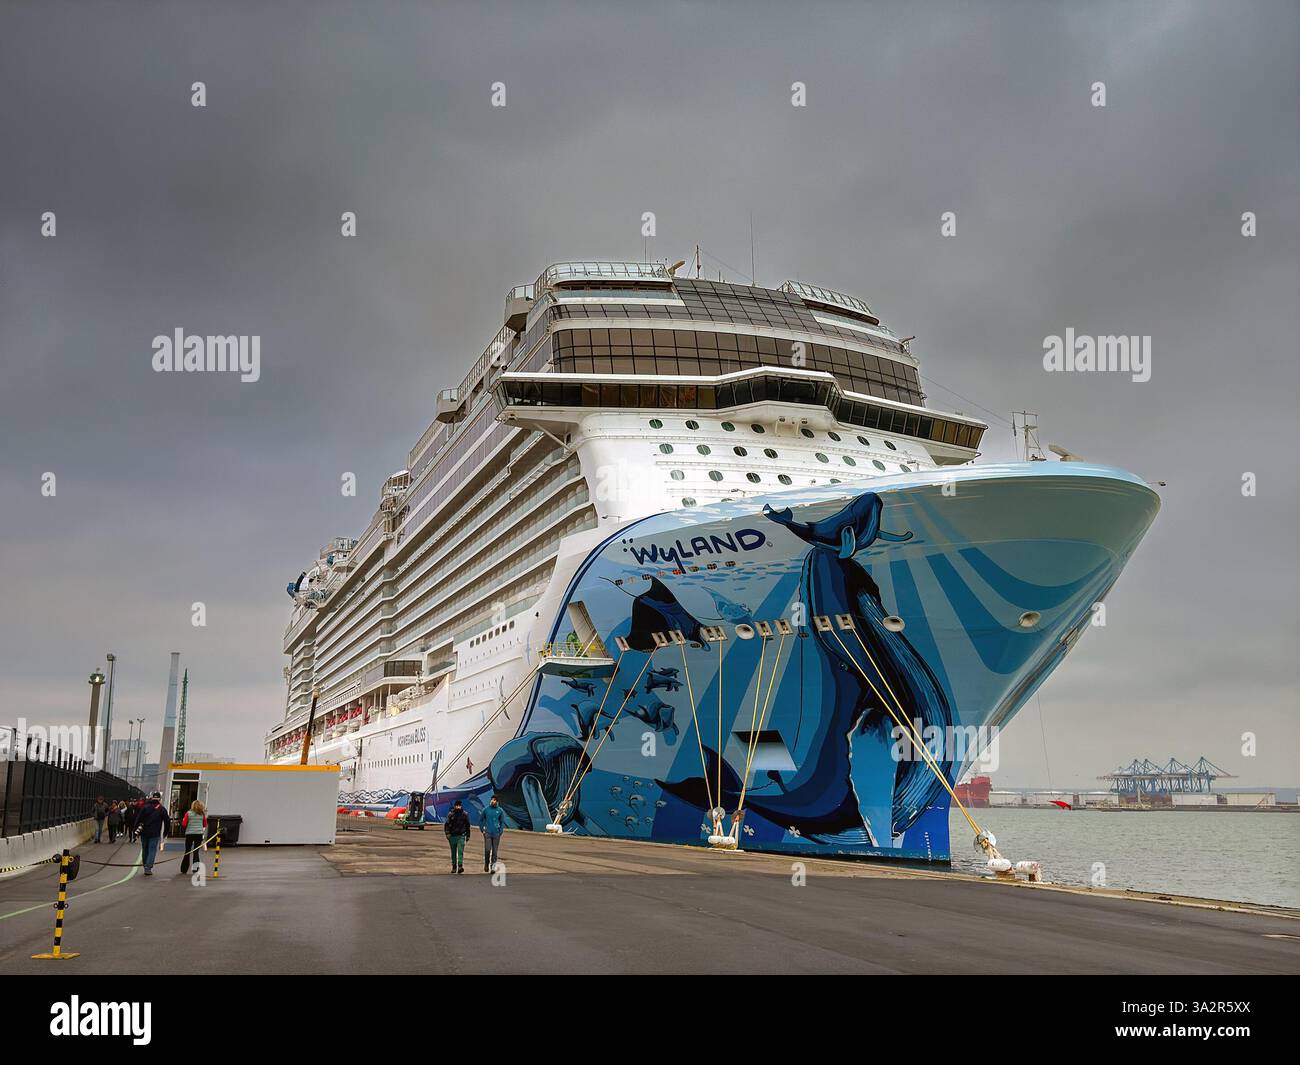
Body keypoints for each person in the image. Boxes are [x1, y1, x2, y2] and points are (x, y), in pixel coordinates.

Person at [136, 792, 171, 876]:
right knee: (152, 849)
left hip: (144, 832)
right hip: (155, 833)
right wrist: (165, 833)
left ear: (152, 798)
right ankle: (148, 867)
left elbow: (138, 819)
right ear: (160, 799)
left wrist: (136, 831)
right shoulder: (162, 809)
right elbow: (167, 822)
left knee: (145, 849)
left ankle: (145, 865)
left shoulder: (145, 807)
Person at [179, 800, 207, 875]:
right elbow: (205, 824)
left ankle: (184, 869)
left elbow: (184, 824)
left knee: (187, 851)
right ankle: (195, 868)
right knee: (196, 851)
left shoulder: (188, 813)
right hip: (198, 834)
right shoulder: (202, 814)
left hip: (189, 834)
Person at [444, 800, 470, 874]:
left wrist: (468, 835)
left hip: (461, 835)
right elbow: (447, 824)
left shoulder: (465, 814)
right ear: (455, 806)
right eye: (457, 805)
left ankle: (460, 866)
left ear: (461, 806)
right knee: (453, 852)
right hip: (452, 836)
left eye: (459, 805)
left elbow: (468, 825)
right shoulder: (451, 814)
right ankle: (454, 866)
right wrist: (447, 833)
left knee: (460, 851)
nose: (458, 807)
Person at [481, 795, 505, 873]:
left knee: (495, 851)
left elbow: (502, 822)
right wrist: (483, 830)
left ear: (497, 802)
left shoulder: (500, 810)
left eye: (494, 800)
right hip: (487, 833)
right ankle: (486, 863)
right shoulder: (485, 810)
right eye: (492, 800)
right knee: (487, 849)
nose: (492, 801)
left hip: (496, 833)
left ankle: (493, 867)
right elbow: (481, 820)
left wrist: (500, 831)